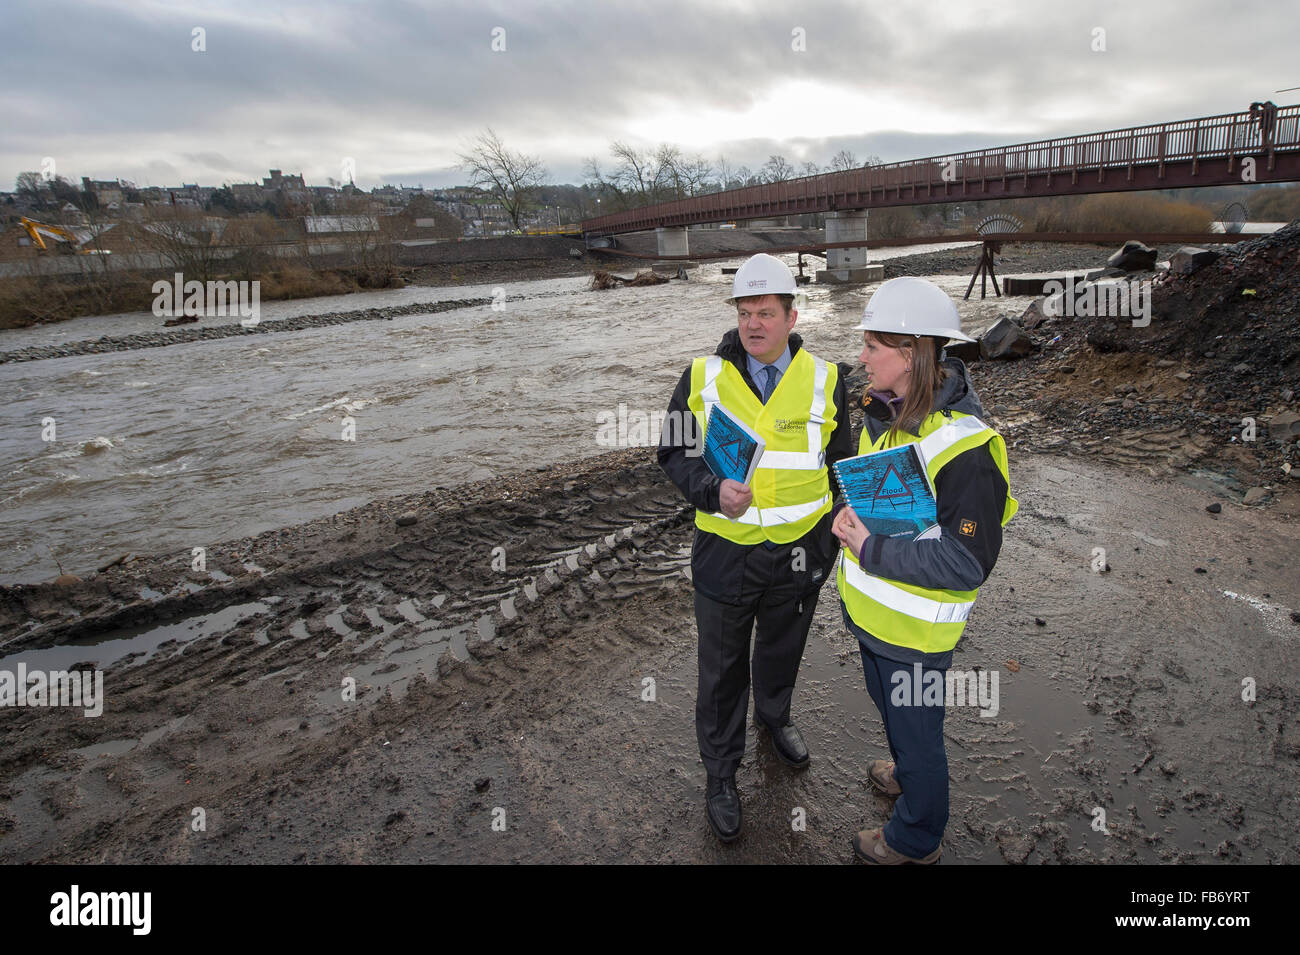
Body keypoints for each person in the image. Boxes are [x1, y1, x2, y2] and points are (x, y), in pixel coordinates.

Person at [658, 253, 853, 842]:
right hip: (726, 551)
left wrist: (832, 538)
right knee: (720, 669)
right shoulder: (700, 378)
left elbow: (843, 463)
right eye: (745, 313)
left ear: (792, 316)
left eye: (765, 313)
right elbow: (672, 452)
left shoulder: (829, 380)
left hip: (799, 551)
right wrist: (711, 490)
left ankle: (775, 717)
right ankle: (722, 775)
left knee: (782, 648)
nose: (753, 325)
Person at [831, 277, 1018, 864]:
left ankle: (916, 838)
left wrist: (870, 551)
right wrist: (849, 516)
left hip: (916, 636)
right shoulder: (884, 417)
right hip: (874, 619)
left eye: (872, 346)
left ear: (911, 353)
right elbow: (880, 503)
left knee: (920, 740)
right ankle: (906, 770)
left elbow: (965, 563)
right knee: (893, 715)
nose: (861, 357)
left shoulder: (967, 450)